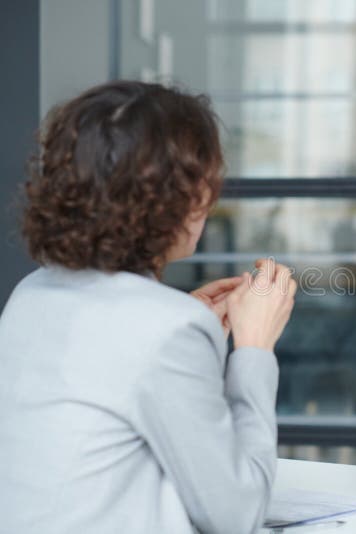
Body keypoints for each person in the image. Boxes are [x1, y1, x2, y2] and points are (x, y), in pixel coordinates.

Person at [0, 81, 296, 533]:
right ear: (173, 197)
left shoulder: (32, 294)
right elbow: (237, 516)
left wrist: (188, 330)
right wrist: (254, 349)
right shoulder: (167, 329)